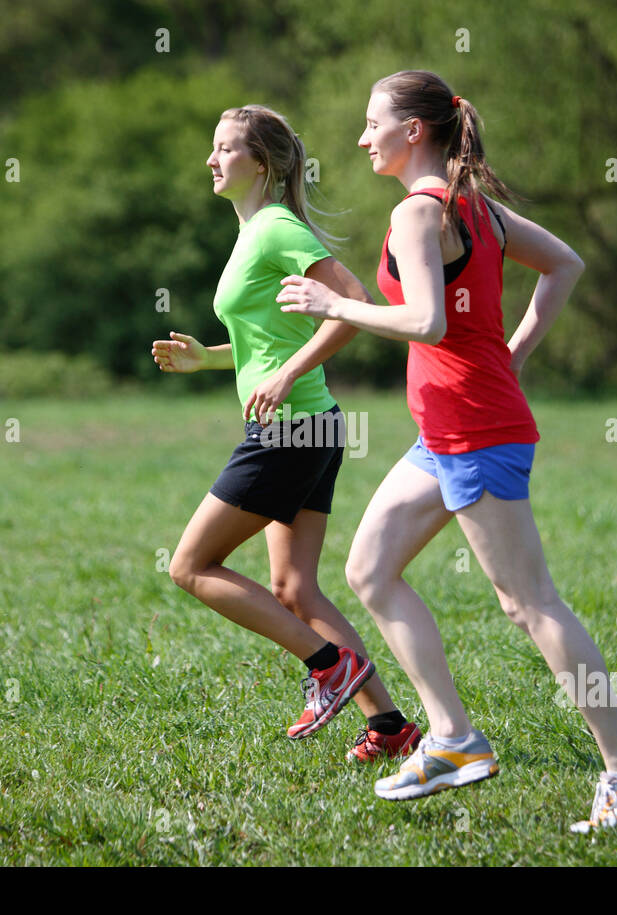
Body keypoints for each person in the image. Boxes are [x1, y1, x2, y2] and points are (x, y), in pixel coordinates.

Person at [275, 72, 617, 830]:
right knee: (369, 569)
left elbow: (426, 321)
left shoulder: (419, 214)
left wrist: (336, 306)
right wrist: (514, 353)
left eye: (373, 125)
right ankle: (453, 738)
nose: (363, 139)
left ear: (415, 132)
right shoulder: (474, 208)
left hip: (476, 433)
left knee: (529, 603)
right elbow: (567, 264)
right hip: (449, 433)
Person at [152, 105, 421, 762]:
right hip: (311, 425)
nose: (211, 160)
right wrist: (212, 359)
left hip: (291, 429)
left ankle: (328, 667)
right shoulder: (251, 233)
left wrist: (285, 376)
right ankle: (390, 729)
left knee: (190, 566)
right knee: (294, 588)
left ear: (261, 163)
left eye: (224, 149)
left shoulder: (274, 228)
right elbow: (271, 341)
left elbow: (351, 308)